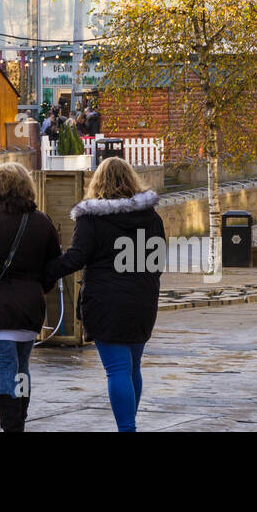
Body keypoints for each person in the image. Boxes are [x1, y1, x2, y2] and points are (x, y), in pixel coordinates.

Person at [44, 156, 166, 432]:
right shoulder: (151, 217)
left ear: (98, 182)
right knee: (133, 368)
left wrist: (46, 271)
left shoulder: (92, 219)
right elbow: (158, 261)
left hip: (106, 301)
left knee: (116, 370)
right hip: (143, 300)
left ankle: (127, 428)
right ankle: (129, 425)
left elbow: (76, 258)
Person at [0, 162, 62, 432]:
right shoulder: (42, 222)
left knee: (6, 367)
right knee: (22, 367)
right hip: (30, 310)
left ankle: (12, 425)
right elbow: (55, 265)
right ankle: (20, 417)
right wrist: (41, 288)